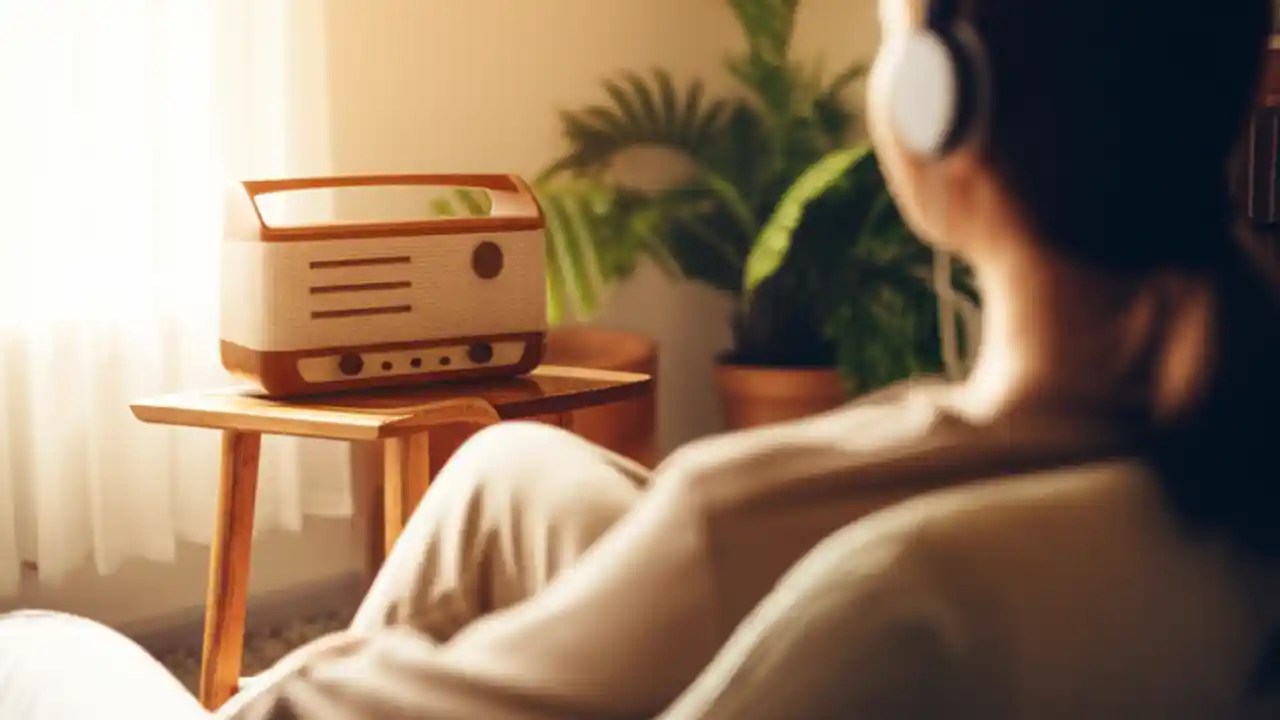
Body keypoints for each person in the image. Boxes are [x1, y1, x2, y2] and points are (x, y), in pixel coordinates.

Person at [2, 0, 1278, 717]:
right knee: (506, 469)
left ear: (942, 102)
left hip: (719, 614)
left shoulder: (760, 531)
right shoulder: (1223, 421)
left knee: (38, 650)